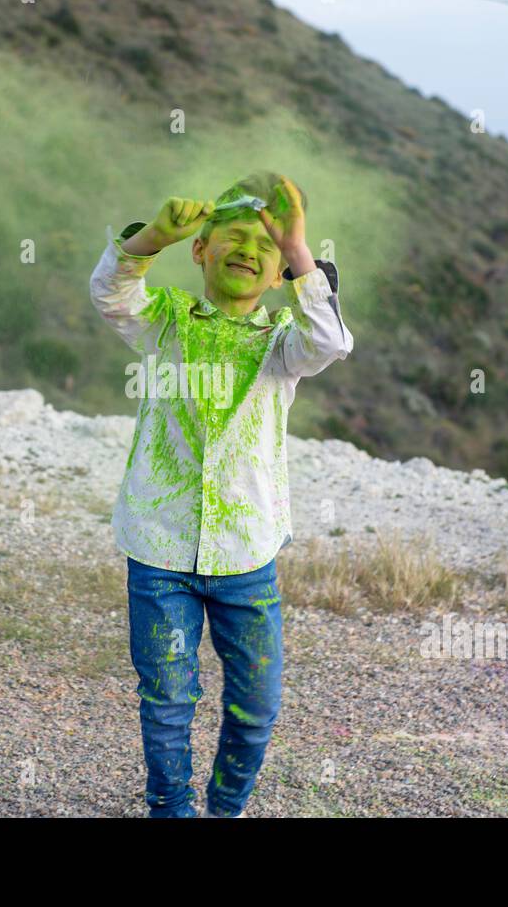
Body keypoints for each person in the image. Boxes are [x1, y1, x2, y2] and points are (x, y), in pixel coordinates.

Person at [89, 171, 354, 816]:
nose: (250, 250)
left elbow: (332, 340)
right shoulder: (168, 322)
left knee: (257, 704)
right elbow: (111, 295)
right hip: (160, 551)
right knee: (168, 699)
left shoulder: (281, 345)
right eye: (232, 237)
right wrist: (152, 237)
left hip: (246, 556)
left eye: (266, 247)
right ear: (200, 251)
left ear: (277, 276)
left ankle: (226, 808)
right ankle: (170, 809)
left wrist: (300, 253)